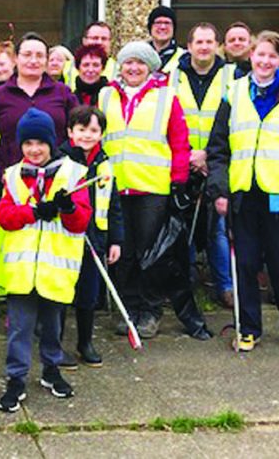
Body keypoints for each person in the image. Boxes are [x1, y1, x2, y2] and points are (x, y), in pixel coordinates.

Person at [206, 30, 279, 353]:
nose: (265, 61)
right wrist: (220, 190)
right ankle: (248, 329)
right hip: (243, 195)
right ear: (251, 56)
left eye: (272, 56)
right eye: (260, 55)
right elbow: (218, 149)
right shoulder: (234, 92)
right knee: (244, 265)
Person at [98, 41, 210, 340]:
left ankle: (150, 311)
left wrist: (179, 180)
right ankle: (127, 308)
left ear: (150, 67)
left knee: (152, 254)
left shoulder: (165, 97)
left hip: (152, 187)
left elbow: (178, 140)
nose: (133, 68)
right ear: (120, 66)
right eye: (128, 62)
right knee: (122, 253)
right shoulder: (106, 94)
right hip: (115, 187)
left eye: (140, 63)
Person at [0, 108, 91, 412]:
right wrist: (33, 212)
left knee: (52, 326)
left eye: (40, 143)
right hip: (20, 271)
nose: (34, 150)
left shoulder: (74, 174)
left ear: (52, 142)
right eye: (27, 143)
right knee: (19, 328)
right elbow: (2, 216)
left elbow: (81, 223)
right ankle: (16, 378)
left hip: (55, 270)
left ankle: (51, 370)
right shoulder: (11, 175)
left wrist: (69, 208)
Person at [0, 32, 80, 233]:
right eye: (27, 54)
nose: (33, 60)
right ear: (16, 59)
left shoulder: (63, 93)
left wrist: (66, 169)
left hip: (56, 184)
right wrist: (2, 173)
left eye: (40, 56)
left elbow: (77, 134)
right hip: (13, 188)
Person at [170, 22, 235, 308]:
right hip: (182, 161)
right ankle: (183, 281)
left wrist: (208, 154)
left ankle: (225, 286)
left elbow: (239, 121)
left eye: (210, 42)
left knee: (218, 227)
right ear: (190, 45)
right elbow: (165, 120)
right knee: (178, 227)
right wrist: (187, 155)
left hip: (218, 161)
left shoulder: (233, 76)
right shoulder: (172, 76)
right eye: (199, 42)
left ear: (217, 45)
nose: (204, 47)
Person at [58, 106, 123, 367]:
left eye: (93, 130)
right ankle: (55, 344)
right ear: (70, 132)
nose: (87, 135)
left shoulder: (104, 163)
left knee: (88, 294)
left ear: (101, 134)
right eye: (81, 129)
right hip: (64, 238)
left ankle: (85, 342)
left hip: (94, 239)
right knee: (61, 292)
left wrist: (116, 239)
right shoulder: (60, 160)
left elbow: (114, 203)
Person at [147, 6, 185, 73]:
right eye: (158, 23)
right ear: (150, 27)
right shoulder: (140, 55)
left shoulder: (185, 57)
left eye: (167, 23)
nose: (163, 27)